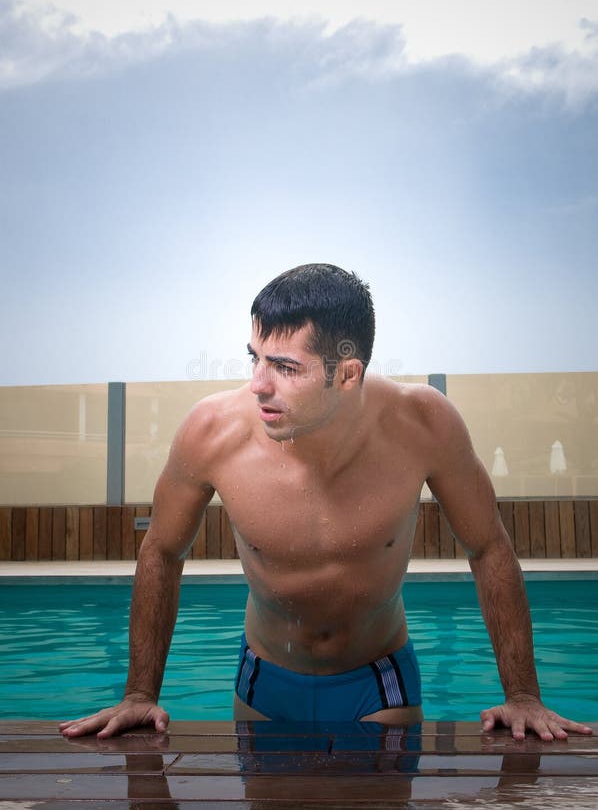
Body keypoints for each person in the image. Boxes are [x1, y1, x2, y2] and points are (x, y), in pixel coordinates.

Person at [60, 263, 592, 742]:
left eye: (285, 369)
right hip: (265, 681)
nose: (258, 386)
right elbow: (161, 551)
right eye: (255, 359)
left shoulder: (423, 425)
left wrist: (522, 694)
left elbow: (488, 546)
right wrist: (138, 694)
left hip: (378, 679)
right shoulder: (212, 432)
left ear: (347, 374)